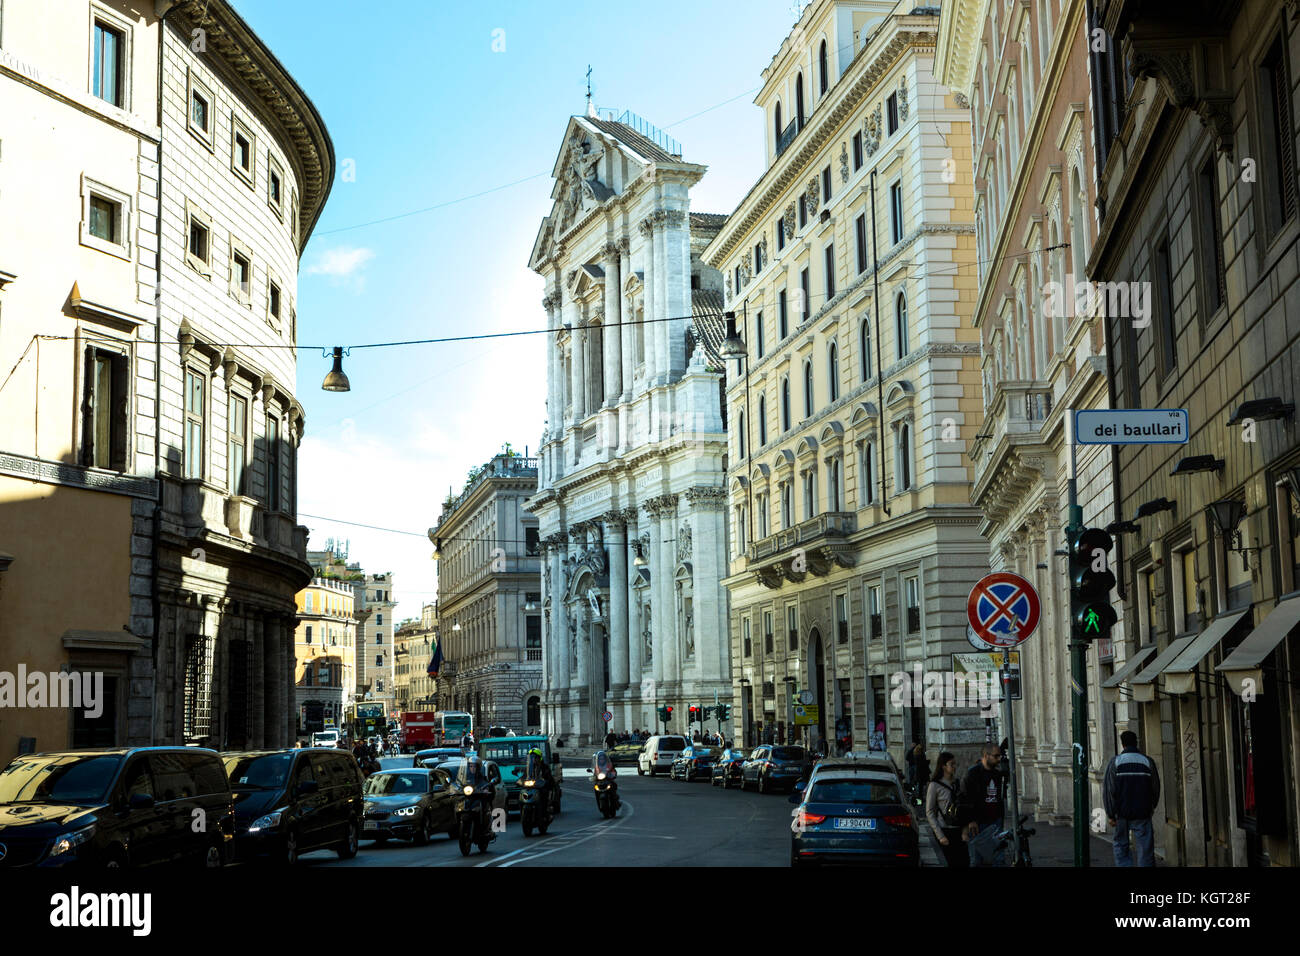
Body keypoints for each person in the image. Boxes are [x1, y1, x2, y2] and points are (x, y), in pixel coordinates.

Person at [1104, 730, 1161, 867]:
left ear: (1122, 744)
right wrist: (1152, 806)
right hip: (1142, 812)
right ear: (1136, 743)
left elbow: (1109, 790)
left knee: (1121, 846)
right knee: (1145, 849)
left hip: (1121, 813)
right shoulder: (1147, 762)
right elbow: (1155, 788)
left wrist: (1111, 814)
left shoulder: (1115, 762)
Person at [962, 741, 1006, 866]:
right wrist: (971, 820)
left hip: (995, 820)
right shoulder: (973, 773)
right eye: (996, 756)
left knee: (998, 859)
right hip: (978, 822)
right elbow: (966, 798)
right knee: (977, 860)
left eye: (1000, 756)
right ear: (986, 756)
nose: (999, 759)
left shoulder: (997, 774)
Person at [926, 752, 968, 868]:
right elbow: (930, 812)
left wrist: (965, 830)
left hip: (959, 830)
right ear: (943, 766)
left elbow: (964, 807)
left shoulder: (958, 783)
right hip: (945, 830)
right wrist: (940, 836)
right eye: (951, 764)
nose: (954, 767)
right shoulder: (934, 785)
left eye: (955, 764)